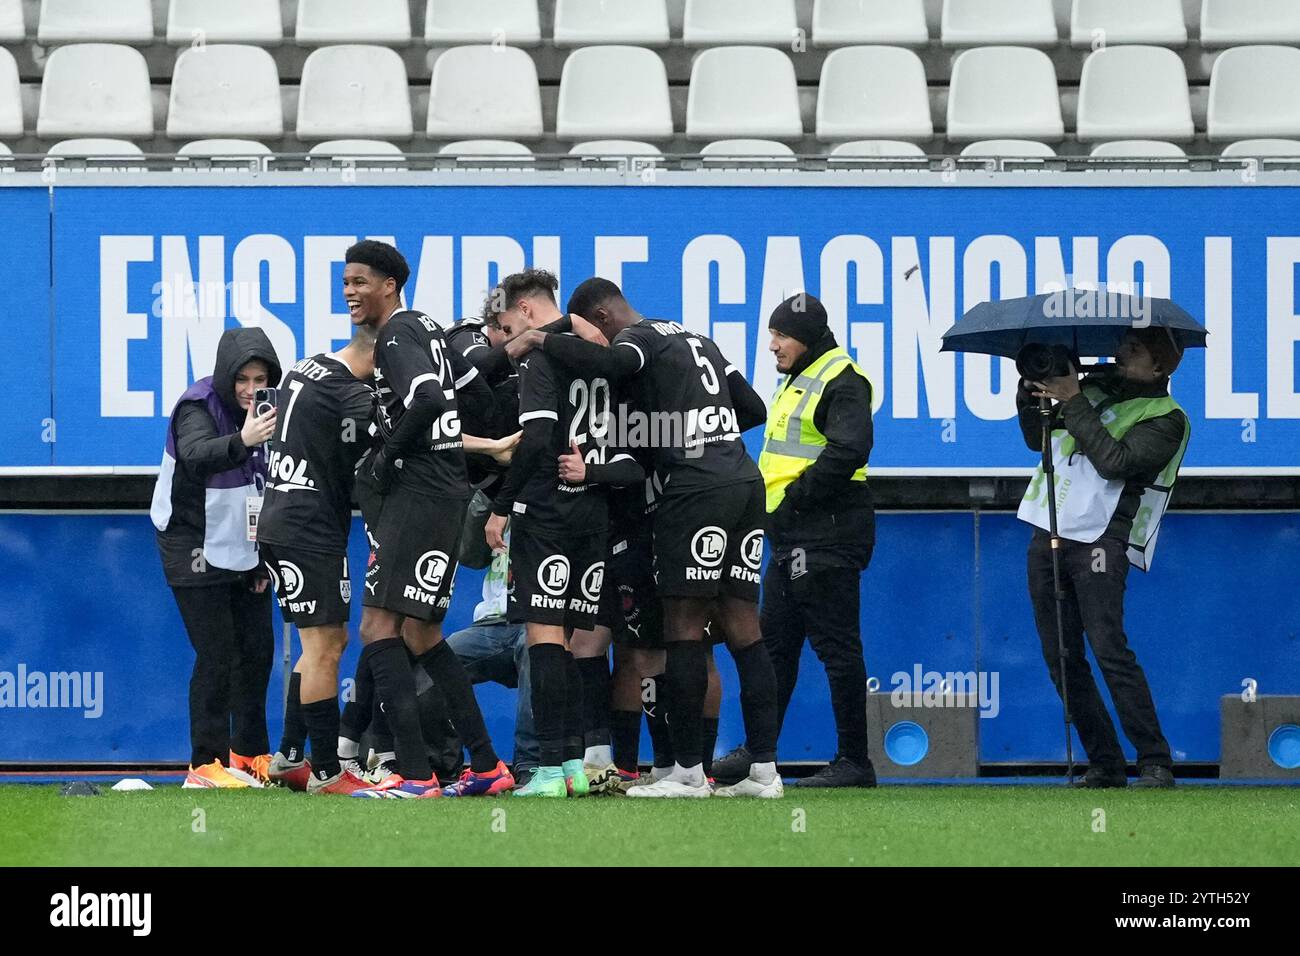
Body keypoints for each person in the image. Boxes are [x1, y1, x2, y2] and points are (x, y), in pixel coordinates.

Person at [509, 276, 783, 798]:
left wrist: (541, 338)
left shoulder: (638, 336)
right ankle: (765, 773)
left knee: (683, 628)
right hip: (743, 480)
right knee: (744, 628)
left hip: (694, 489)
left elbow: (614, 364)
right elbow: (752, 409)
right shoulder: (697, 338)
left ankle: (685, 772)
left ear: (603, 319)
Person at [342, 240, 513, 799]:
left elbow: (429, 398)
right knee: (422, 631)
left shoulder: (395, 334)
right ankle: (487, 766)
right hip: (445, 490)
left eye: (360, 281)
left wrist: (387, 458)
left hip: (417, 493)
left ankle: (415, 775)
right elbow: (475, 395)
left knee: (376, 627)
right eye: (346, 282)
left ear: (389, 285)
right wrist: (485, 457)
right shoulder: (431, 330)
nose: (350, 291)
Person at [485, 269, 645, 798]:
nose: (508, 339)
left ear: (527, 312)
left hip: (548, 510)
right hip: (593, 511)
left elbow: (535, 441)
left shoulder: (542, 355)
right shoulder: (602, 354)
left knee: (545, 637)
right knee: (578, 643)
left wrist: (502, 508)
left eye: (508, 326)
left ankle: (549, 772)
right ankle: (575, 766)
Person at [713, 294, 878, 789]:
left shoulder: (842, 379)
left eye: (780, 335)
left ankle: (854, 761)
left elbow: (849, 449)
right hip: (795, 534)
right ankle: (759, 753)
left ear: (803, 336)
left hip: (825, 532)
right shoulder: (803, 375)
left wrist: (793, 503)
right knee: (776, 649)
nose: (772, 345)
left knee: (837, 648)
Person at [1017, 327, 1191, 789]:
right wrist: (1029, 393)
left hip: (1101, 536)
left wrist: (1074, 399)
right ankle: (1105, 762)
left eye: (1132, 351)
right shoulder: (1092, 391)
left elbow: (1115, 461)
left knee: (1109, 648)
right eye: (1122, 346)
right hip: (1049, 527)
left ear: (1159, 367)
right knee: (1061, 654)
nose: (1119, 354)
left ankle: (1155, 760)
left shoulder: (1167, 417)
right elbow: (1038, 440)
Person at [151, 327, 281, 789]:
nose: (250, 390)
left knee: (258, 651)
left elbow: (266, 484)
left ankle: (249, 755)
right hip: (191, 543)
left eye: (259, 379)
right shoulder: (197, 405)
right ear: (226, 377)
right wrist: (243, 439)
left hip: (243, 544)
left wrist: (263, 555)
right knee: (218, 652)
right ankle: (204, 764)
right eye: (241, 379)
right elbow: (195, 454)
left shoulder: (273, 410)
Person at [258, 325, 379, 795]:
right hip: (307, 527)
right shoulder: (345, 387)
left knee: (323, 641)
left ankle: (290, 755)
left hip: (285, 519)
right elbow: (395, 428)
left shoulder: (307, 367)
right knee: (324, 647)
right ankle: (328, 772)